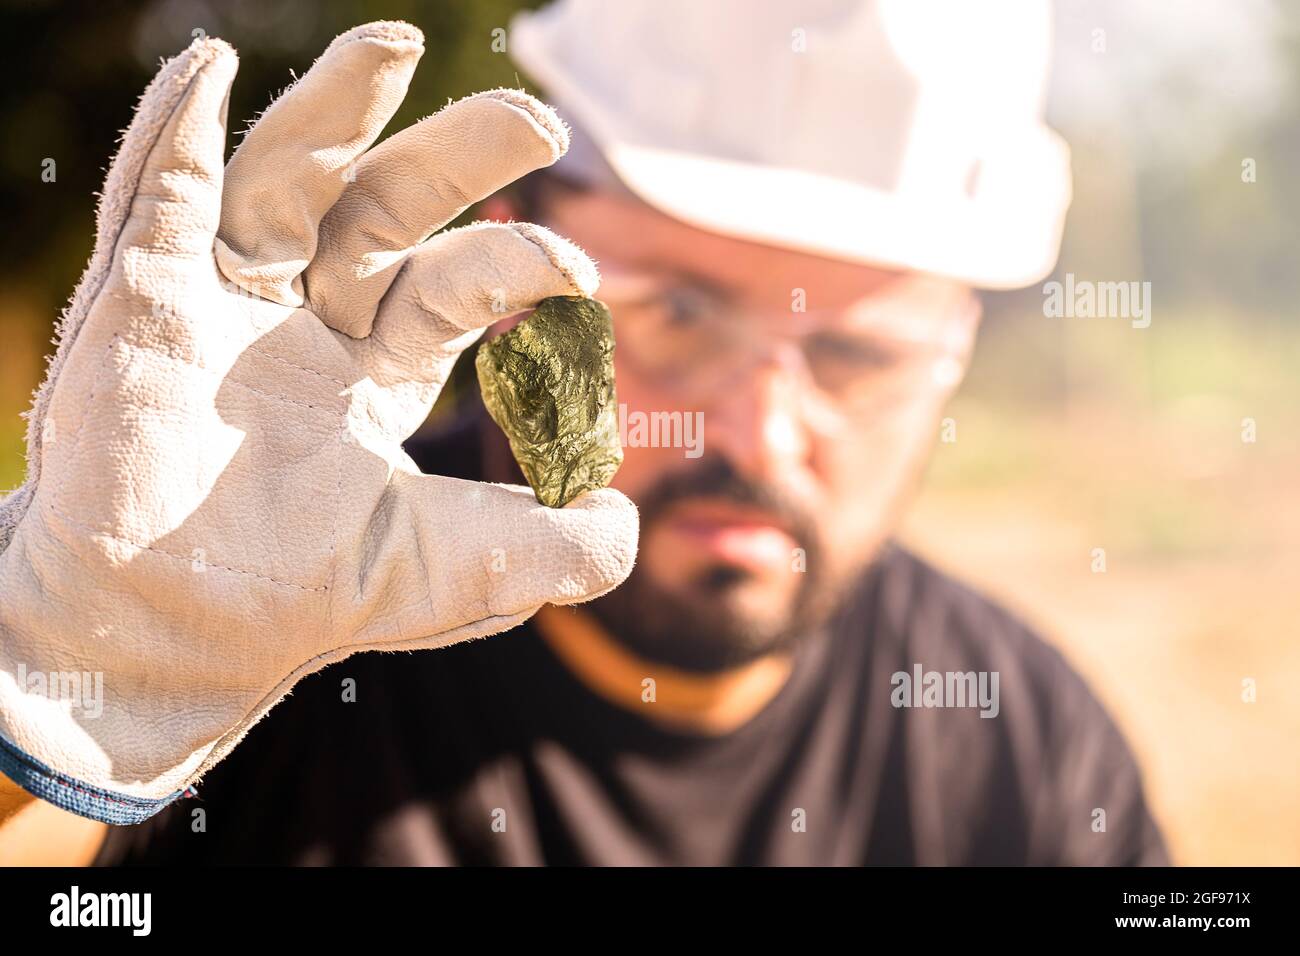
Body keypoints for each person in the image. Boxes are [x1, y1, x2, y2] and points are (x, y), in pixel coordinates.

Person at [0, 1, 1168, 865]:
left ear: (954, 349)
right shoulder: (277, 622)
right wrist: (48, 667)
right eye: (675, 312)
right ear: (507, 260)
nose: (757, 433)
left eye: (857, 354)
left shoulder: (1026, 751)